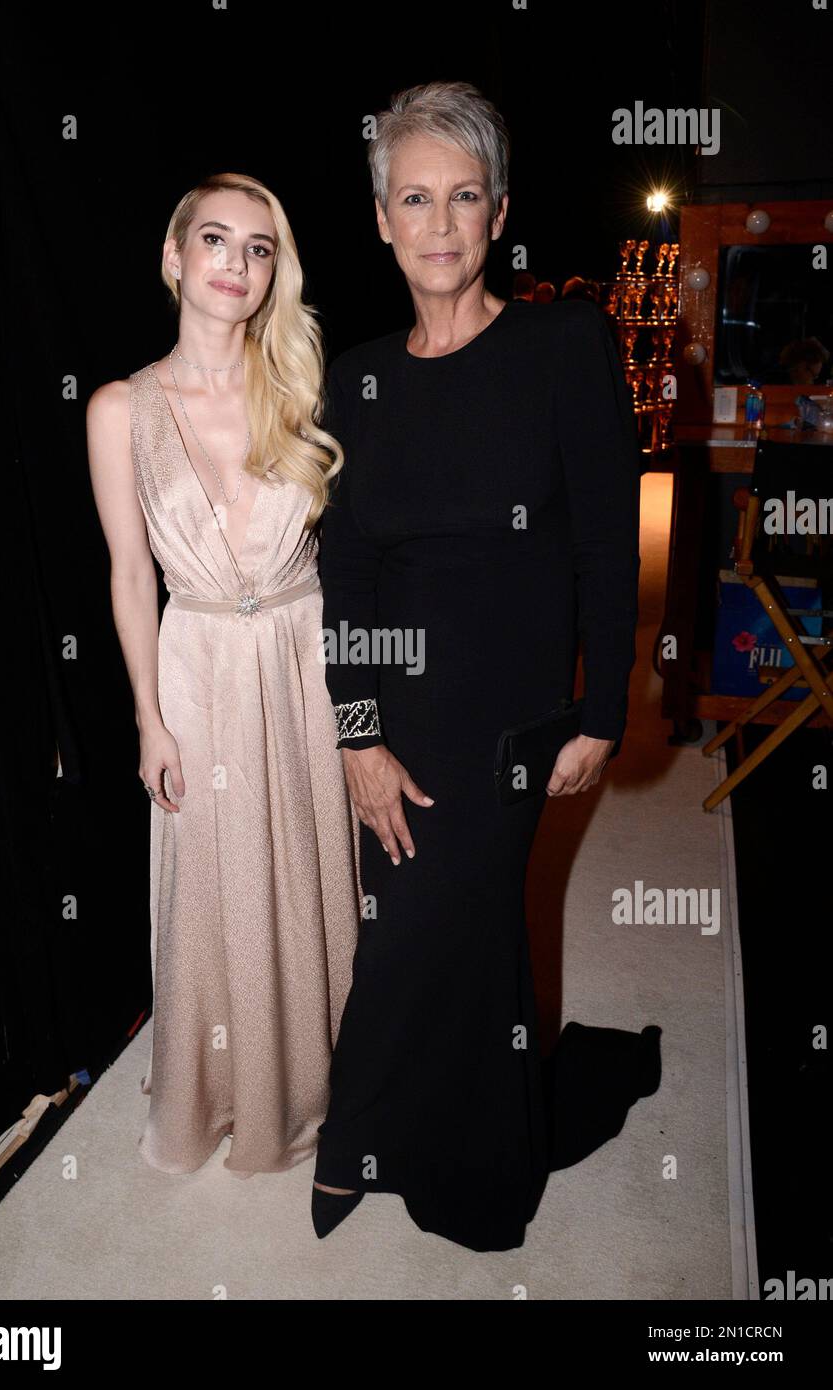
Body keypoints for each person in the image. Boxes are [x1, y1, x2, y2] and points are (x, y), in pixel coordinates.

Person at [311, 81, 661, 1252]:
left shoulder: (562, 342)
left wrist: (600, 709)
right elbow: (346, 572)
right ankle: (404, 1125)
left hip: (511, 715)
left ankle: (391, 1141)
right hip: (396, 707)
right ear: (379, 220)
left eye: (464, 195)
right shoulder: (356, 374)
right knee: (416, 923)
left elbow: (610, 544)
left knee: (435, 924)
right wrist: (357, 732)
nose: (441, 222)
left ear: (498, 210)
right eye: (415, 197)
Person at [86, 173, 361, 1181]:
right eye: (215, 240)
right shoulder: (119, 408)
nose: (236, 264)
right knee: (211, 887)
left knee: (306, 869)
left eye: (258, 248)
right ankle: (214, 1090)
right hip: (195, 658)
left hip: (301, 656)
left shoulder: (298, 385)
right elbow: (125, 573)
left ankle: (311, 1087)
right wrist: (148, 720)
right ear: (172, 258)